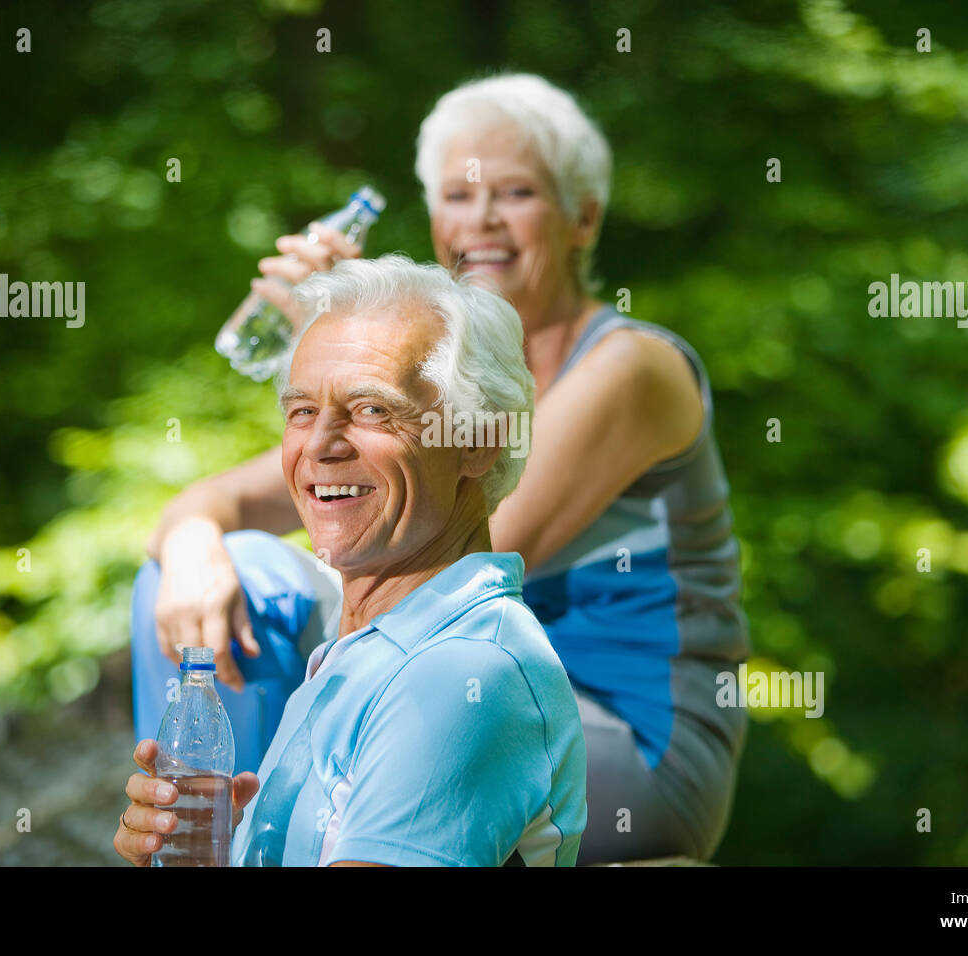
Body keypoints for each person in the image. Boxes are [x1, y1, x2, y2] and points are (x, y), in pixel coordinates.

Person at [133, 72, 749, 864]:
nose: (482, 219)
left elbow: (450, 559)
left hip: (614, 734)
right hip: (463, 685)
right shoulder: (428, 384)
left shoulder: (631, 369)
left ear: (583, 217)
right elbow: (217, 502)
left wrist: (346, 337)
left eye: (518, 192)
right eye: (458, 196)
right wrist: (193, 551)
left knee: (293, 603)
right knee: (206, 574)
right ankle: (218, 829)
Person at [117, 255, 586, 867]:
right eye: (302, 411)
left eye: (371, 410)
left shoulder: (461, 672)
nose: (319, 444)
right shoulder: (364, 654)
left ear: (475, 440)